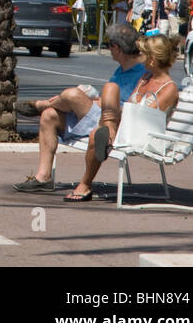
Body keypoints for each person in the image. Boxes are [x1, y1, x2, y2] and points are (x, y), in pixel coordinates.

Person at [13, 24, 148, 192]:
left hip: (114, 124)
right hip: (102, 115)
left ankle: (42, 104)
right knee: (49, 115)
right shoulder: (122, 68)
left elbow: (125, 106)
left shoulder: (142, 71)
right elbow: (109, 98)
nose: (109, 50)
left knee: (72, 95)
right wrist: (93, 99)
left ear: (116, 47)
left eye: (109, 46)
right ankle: (43, 177)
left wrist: (88, 101)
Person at [65, 33, 180, 202]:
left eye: (144, 54)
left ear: (153, 59)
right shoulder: (145, 77)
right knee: (110, 88)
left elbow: (146, 117)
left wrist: (119, 112)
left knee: (97, 133)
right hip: (128, 123)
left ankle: (85, 184)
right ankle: (109, 130)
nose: (141, 58)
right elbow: (131, 105)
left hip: (145, 134)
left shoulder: (169, 88)